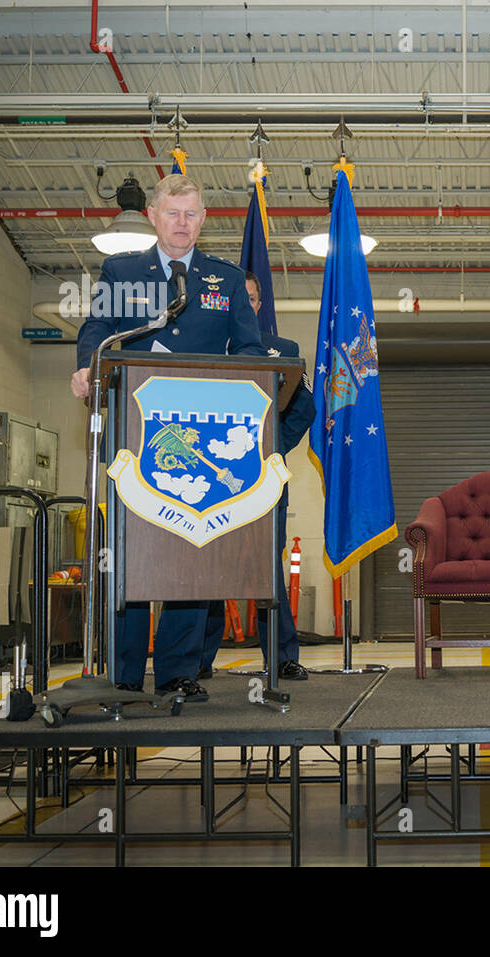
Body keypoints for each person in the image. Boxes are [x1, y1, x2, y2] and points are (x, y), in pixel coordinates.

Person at [72, 173, 267, 700]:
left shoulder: (224, 280)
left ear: (203, 220)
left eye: (192, 215)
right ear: (154, 216)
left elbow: (251, 350)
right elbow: (97, 330)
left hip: (202, 437)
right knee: (135, 552)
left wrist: (239, 380)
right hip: (138, 433)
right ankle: (127, 674)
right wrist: (88, 366)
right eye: (172, 214)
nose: (182, 224)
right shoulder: (123, 270)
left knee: (189, 549)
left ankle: (179, 671)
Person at [197, 273, 314, 681]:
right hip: (206, 482)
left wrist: (273, 450)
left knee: (265, 568)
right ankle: (195, 661)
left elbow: (304, 409)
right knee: (205, 565)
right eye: (237, 299)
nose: (244, 305)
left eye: (250, 298)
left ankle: (280, 658)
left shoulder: (283, 351)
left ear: (259, 304)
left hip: (263, 481)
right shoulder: (200, 344)